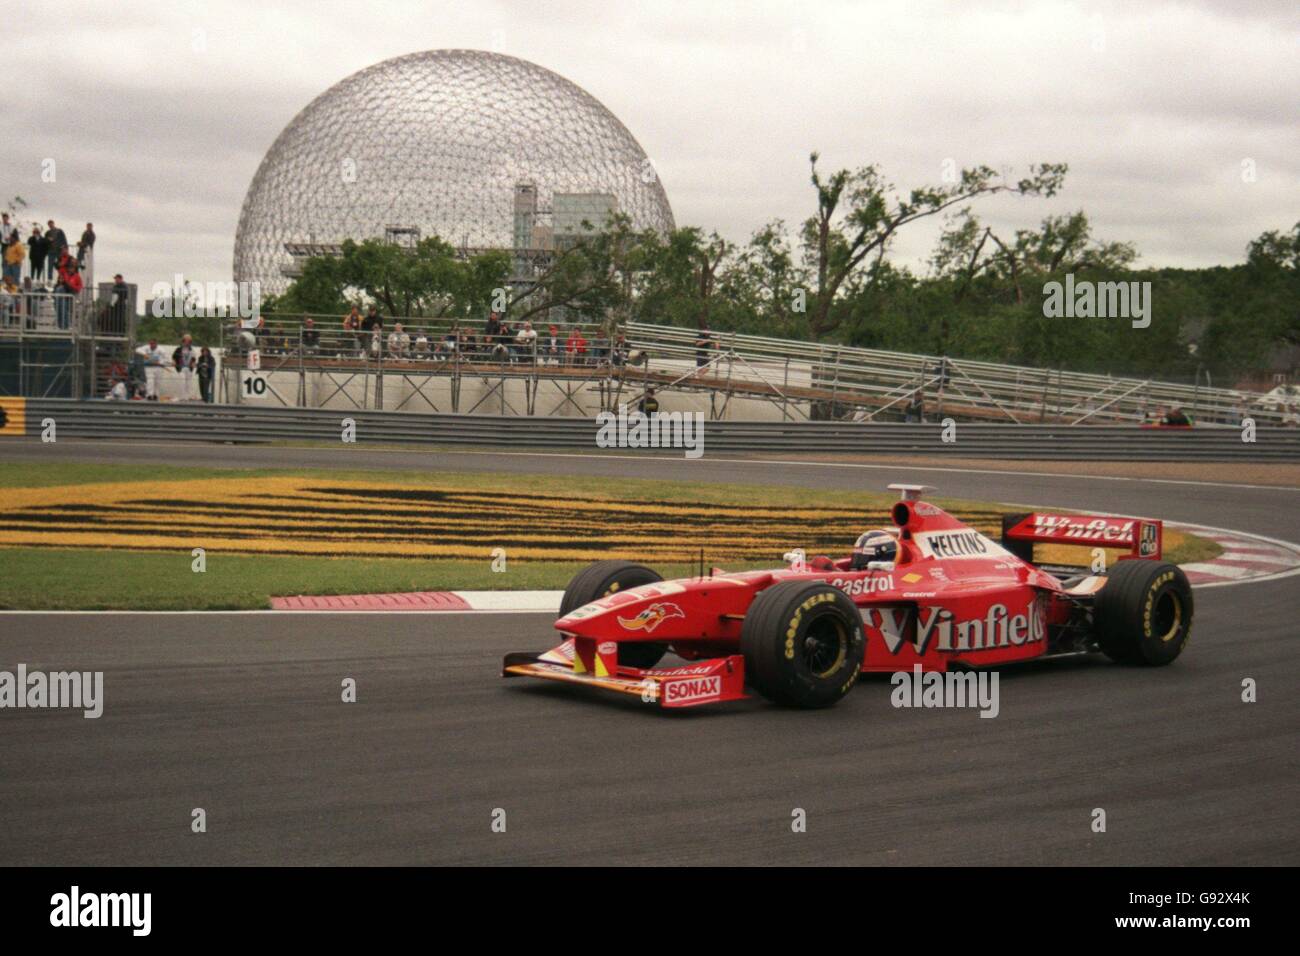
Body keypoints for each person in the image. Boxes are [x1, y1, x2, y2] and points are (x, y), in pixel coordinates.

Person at [172, 334, 196, 400]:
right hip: (181, 368)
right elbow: (174, 357)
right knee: (182, 382)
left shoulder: (192, 350)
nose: (188, 342)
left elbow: (194, 358)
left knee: (188, 383)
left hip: (189, 368)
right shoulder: (178, 349)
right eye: (187, 340)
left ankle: (187, 397)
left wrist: (193, 363)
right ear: (183, 341)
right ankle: (181, 396)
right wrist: (174, 362)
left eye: (190, 341)